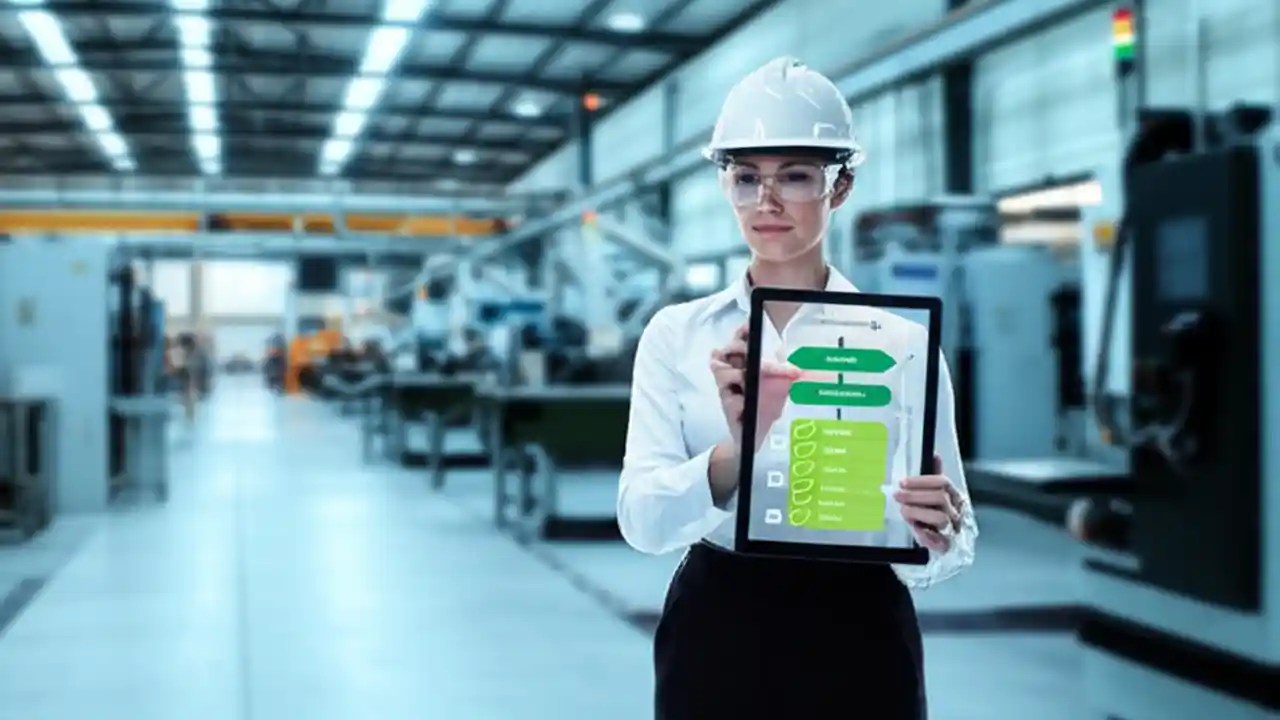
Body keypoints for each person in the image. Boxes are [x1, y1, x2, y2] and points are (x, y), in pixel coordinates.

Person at [617, 57, 979, 720]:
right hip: (718, 621)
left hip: (859, 624)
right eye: (746, 177)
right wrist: (737, 452)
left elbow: (951, 541)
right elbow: (641, 520)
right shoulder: (678, 336)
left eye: (796, 176)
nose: (767, 201)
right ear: (725, 185)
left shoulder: (899, 345)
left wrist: (934, 533)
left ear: (840, 188)